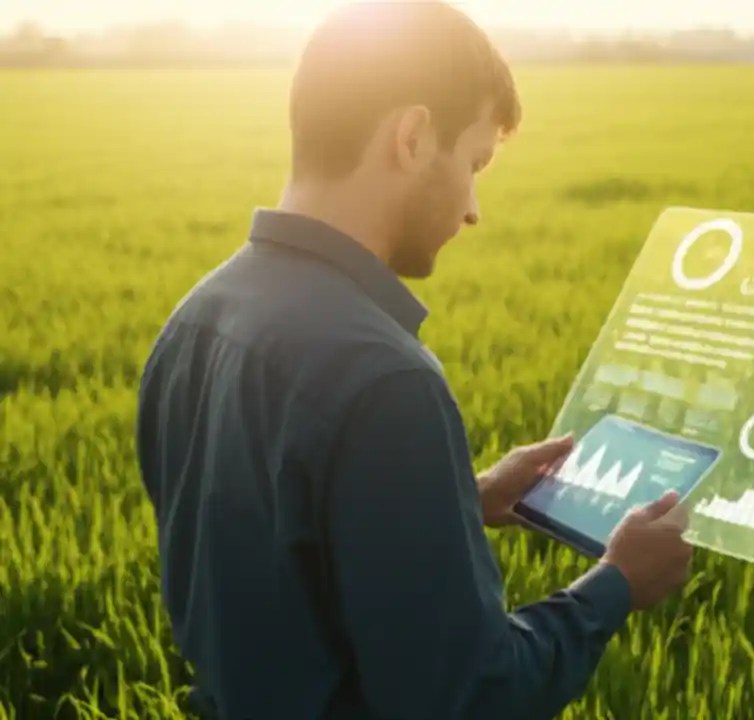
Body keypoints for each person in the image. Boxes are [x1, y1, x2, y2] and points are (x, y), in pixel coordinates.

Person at [133, 3, 694, 718]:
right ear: (414, 136)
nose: (472, 208)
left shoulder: (195, 322)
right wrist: (617, 582)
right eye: (474, 163)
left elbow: (275, 557)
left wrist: (465, 495)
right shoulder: (384, 381)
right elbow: (473, 697)